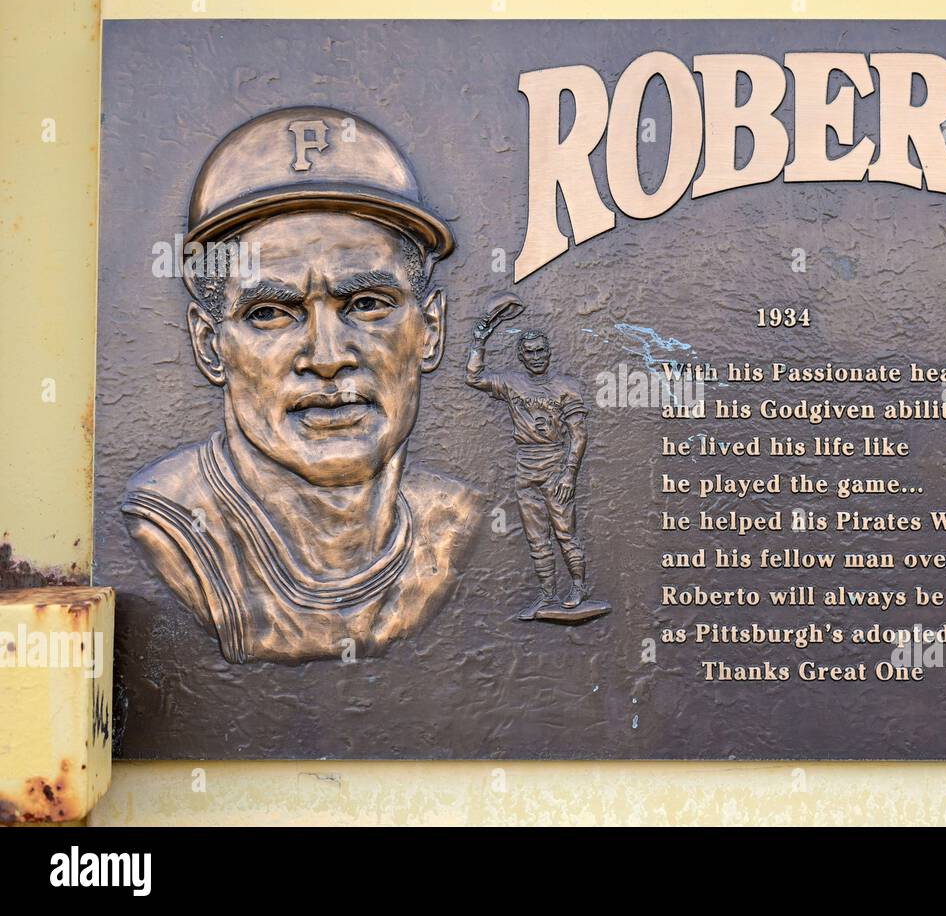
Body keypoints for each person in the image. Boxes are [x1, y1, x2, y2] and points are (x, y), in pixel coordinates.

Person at [122, 107, 483, 664]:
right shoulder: (168, 528)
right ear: (207, 344)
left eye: (367, 305)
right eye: (270, 313)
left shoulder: (460, 521)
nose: (327, 356)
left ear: (429, 330)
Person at [467, 305, 609, 623]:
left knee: (565, 532)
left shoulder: (566, 387)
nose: (536, 356)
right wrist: (478, 342)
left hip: (556, 466)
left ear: (549, 352)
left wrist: (570, 473)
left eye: (541, 350)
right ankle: (547, 595)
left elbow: (579, 435)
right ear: (521, 356)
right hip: (525, 467)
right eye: (529, 352)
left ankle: (579, 587)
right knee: (536, 538)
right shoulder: (511, 383)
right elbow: (473, 377)